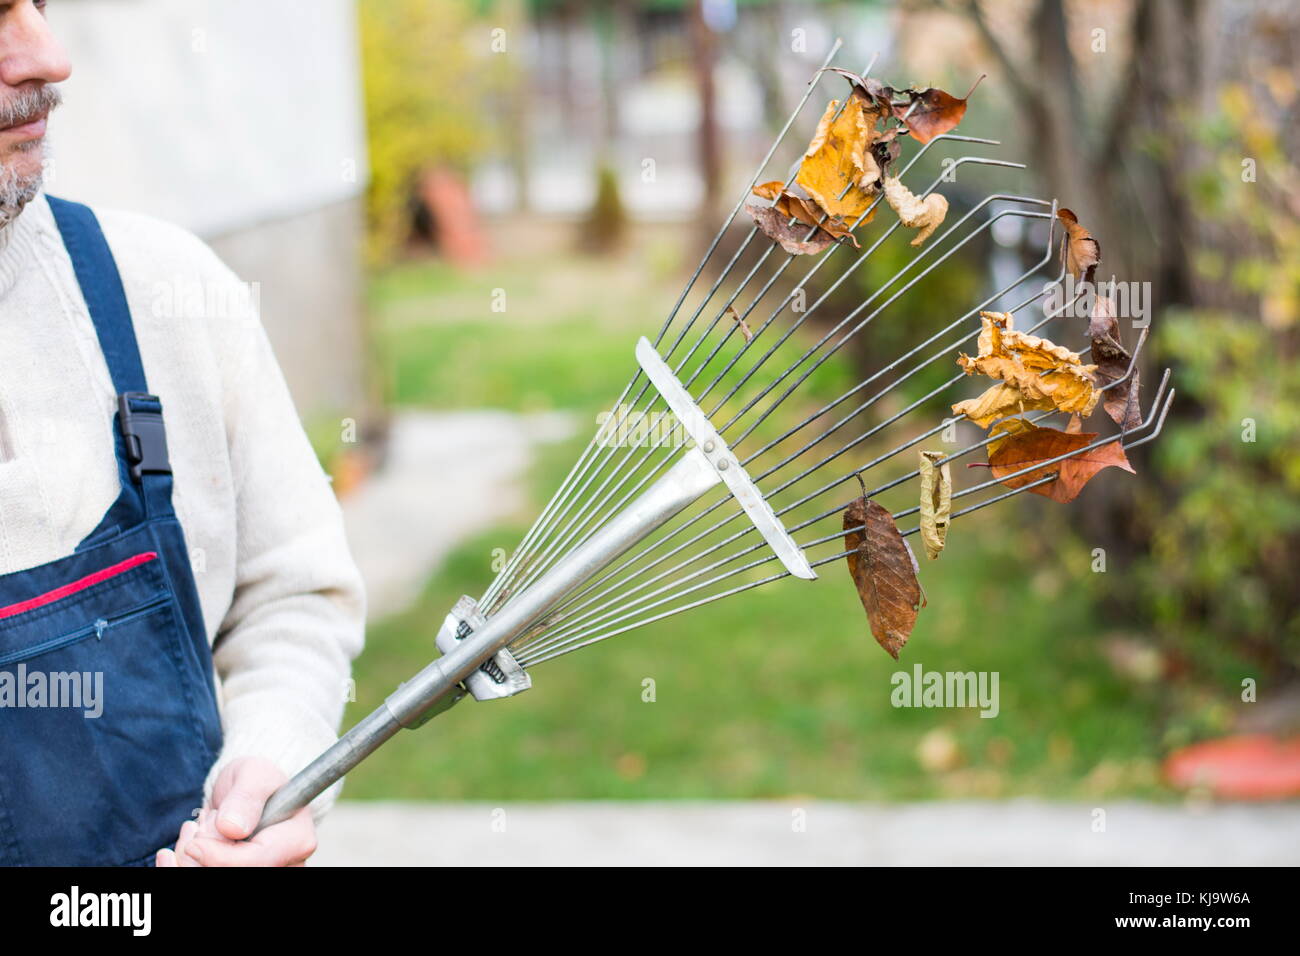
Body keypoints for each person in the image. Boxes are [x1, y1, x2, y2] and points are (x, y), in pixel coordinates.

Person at [0, 0, 364, 866]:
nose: (50, 58)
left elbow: (292, 599)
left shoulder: (166, 292)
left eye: (38, 4)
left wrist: (270, 765)